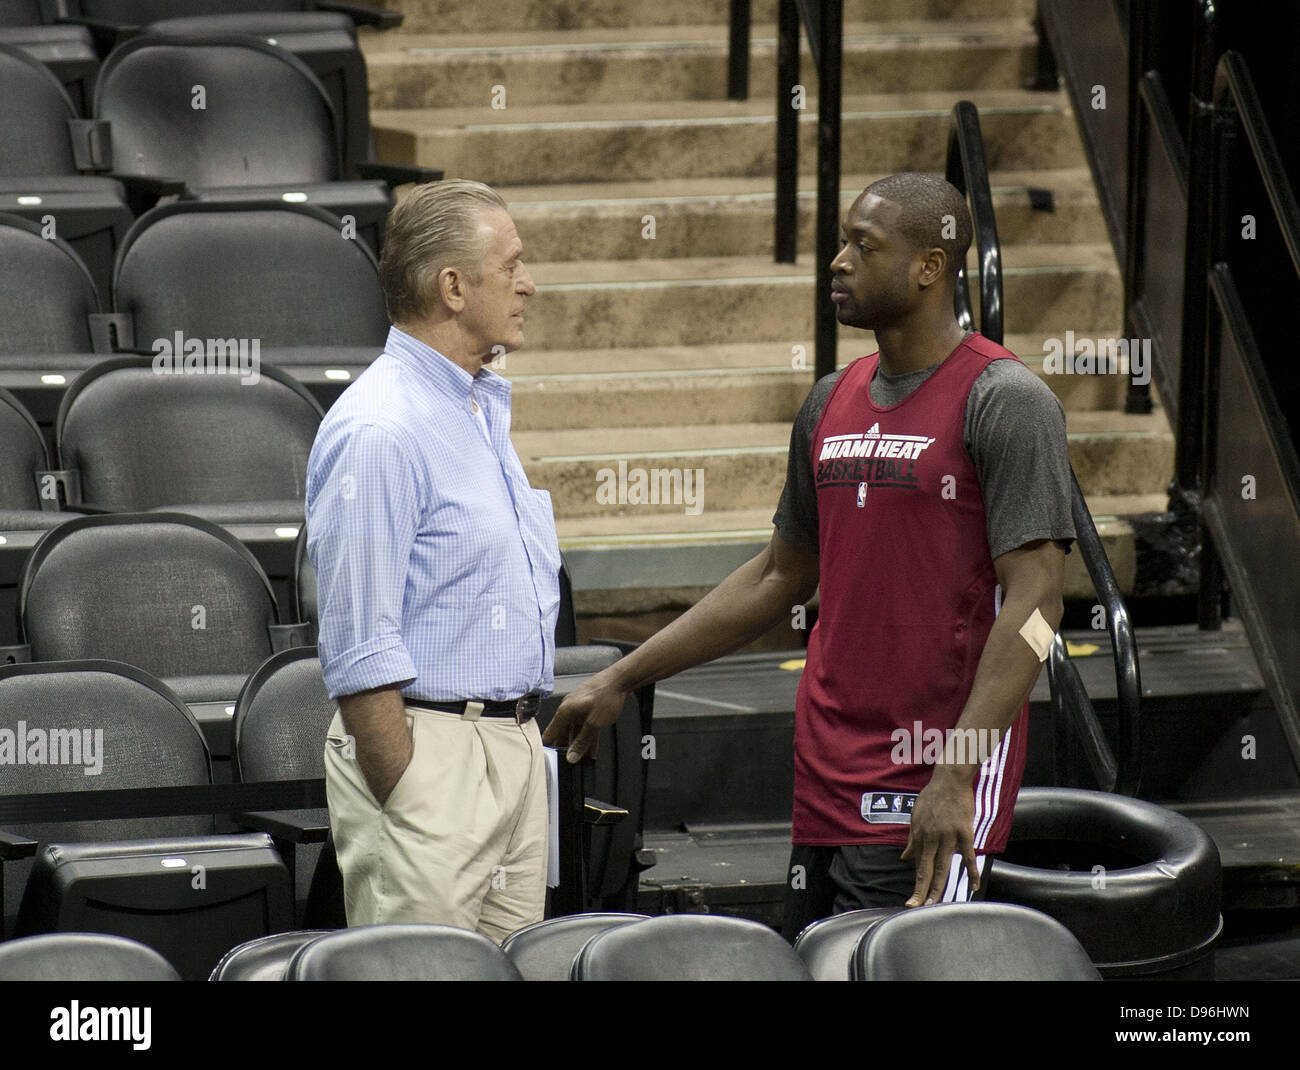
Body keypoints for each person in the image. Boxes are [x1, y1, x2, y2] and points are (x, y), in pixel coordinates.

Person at [544, 172, 1076, 938]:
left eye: (864, 245)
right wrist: (623, 675)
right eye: (841, 243)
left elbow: (1038, 606)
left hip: (928, 772)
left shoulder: (1006, 400)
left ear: (930, 266)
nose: (838, 261)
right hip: (826, 769)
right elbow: (776, 576)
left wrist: (957, 770)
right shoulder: (830, 399)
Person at [306, 179, 561, 942]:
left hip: (511, 751)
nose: (529, 283)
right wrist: (411, 787)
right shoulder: (381, 428)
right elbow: (359, 643)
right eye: (510, 265)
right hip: (433, 759)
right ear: (453, 287)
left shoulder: (476, 408)